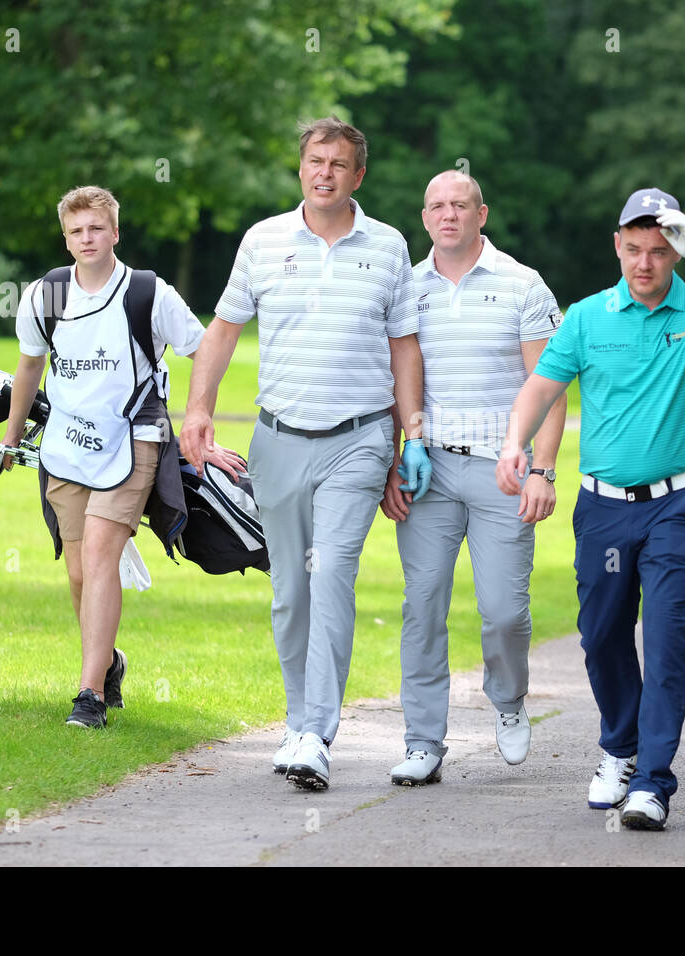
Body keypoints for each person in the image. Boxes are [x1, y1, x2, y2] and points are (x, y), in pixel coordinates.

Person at [496, 188, 685, 830]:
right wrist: (516, 445)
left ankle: (652, 782)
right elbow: (540, 387)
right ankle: (620, 747)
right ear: (617, 245)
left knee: (667, 638)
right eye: (634, 249)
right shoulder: (589, 317)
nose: (644, 263)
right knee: (602, 636)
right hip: (604, 509)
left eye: (659, 250)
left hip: (680, 504)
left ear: (673, 252)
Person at [181, 117, 429, 791]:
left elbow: (405, 345)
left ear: (358, 176)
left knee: (331, 575)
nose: (326, 172)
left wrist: (413, 437)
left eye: (339, 164)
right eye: (316, 161)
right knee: (289, 592)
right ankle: (298, 722)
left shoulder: (387, 246)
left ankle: (316, 732)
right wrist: (199, 408)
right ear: (301, 169)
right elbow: (224, 329)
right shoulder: (263, 241)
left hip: (360, 440)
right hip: (278, 441)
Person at [2, 185, 244, 729]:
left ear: (116, 232)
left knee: (102, 554)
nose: (87, 239)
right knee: (78, 570)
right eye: (76, 231)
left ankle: (88, 696)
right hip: (65, 446)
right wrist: (12, 439)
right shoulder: (46, 295)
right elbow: (27, 369)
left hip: (135, 438)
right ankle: (109, 663)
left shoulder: (147, 292)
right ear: (65, 239)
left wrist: (198, 420)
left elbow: (203, 348)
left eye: (96, 228)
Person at [380, 171, 566, 786]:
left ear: (482, 213)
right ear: (424, 216)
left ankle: (509, 703)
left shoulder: (522, 284)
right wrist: (397, 456)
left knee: (504, 611)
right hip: (427, 468)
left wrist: (542, 468)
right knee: (423, 604)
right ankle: (424, 741)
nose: (448, 215)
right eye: (437, 206)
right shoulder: (404, 285)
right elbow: (390, 378)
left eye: (460, 205)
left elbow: (550, 389)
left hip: (503, 472)